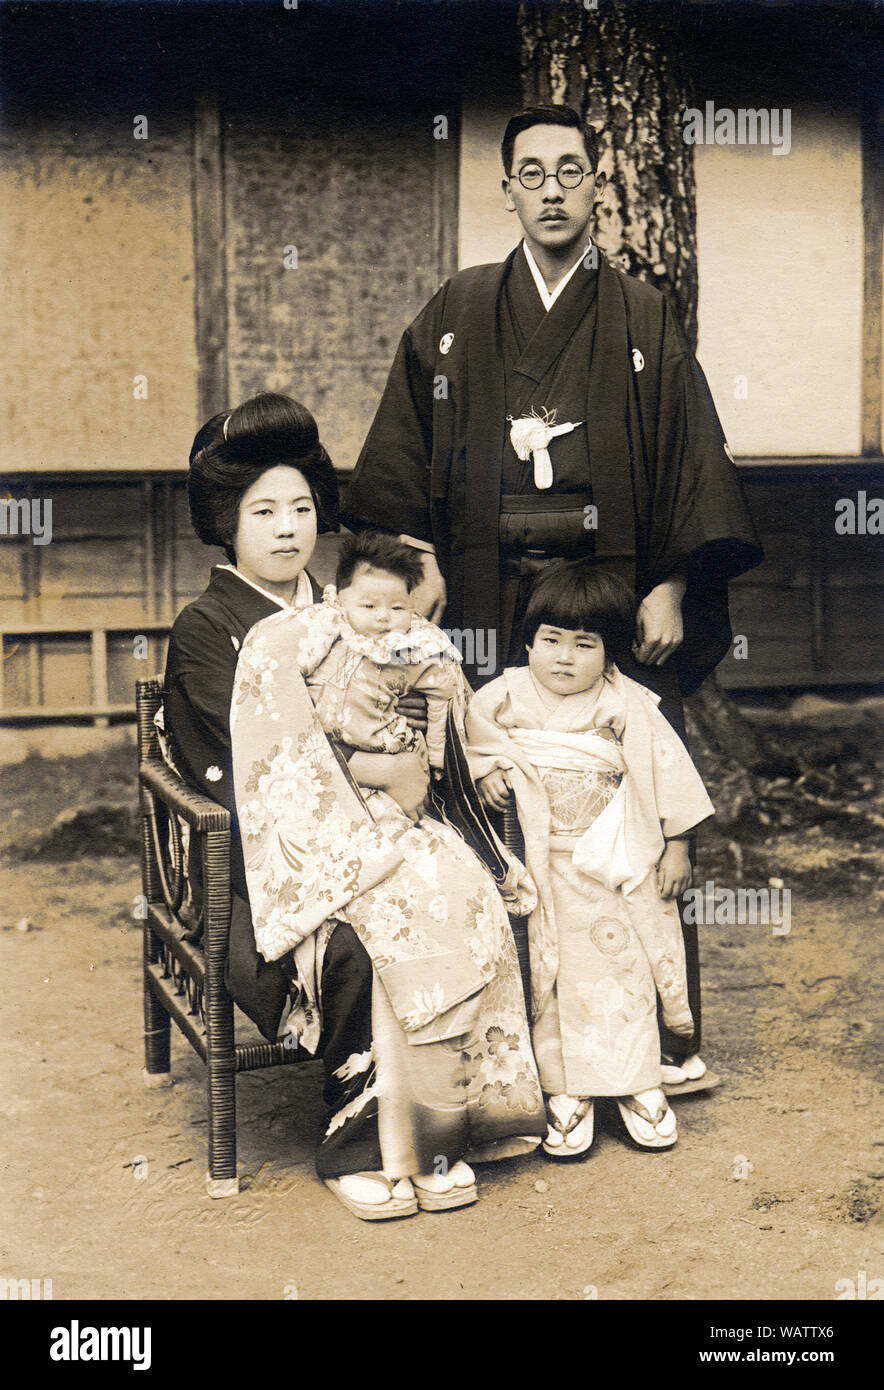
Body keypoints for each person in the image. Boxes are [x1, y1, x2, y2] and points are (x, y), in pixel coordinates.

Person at [343, 102, 764, 1084]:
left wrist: (666, 583)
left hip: (605, 595)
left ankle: (653, 1034)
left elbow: (687, 453)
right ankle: (512, 1040)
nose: (550, 189)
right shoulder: (456, 309)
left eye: (568, 171)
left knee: (624, 803)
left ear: (593, 185)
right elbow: (402, 444)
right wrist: (418, 553)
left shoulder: (638, 316)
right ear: (506, 190)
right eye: (530, 173)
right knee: (494, 795)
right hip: (489, 595)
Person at [164, 392, 545, 1222]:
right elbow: (253, 766)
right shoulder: (208, 628)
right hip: (259, 857)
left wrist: (428, 754)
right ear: (228, 523)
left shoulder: (356, 608)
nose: (287, 526)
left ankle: (444, 1131)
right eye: (262, 510)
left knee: (460, 893)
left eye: (301, 505)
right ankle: (359, 1147)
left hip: (383, 822)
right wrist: (377, 767)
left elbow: (429, 706)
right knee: (361, 939)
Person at [466, 562, 715, 1153]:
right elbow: (463, 745)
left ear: (612, 653)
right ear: (527, 640)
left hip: (611, 863)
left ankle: (636, 1083)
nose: (564, 658)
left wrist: (678, 844)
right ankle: (564, 1091)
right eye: (550, 640)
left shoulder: (628, 703)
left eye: (585, 645)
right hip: (533, 864)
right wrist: (486, 773)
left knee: (621, 972)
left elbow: (668, 770)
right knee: (548, 980)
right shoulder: (500, 695)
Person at [294, 530, 466, 778]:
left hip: (391, 753)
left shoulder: (415, 649)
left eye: (397, 607)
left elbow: (442, 692)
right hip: (327, 749)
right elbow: (296, 669)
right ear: (341, 599)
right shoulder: (328, 627)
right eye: (369, 606)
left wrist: (438, 756)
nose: (383, 616)